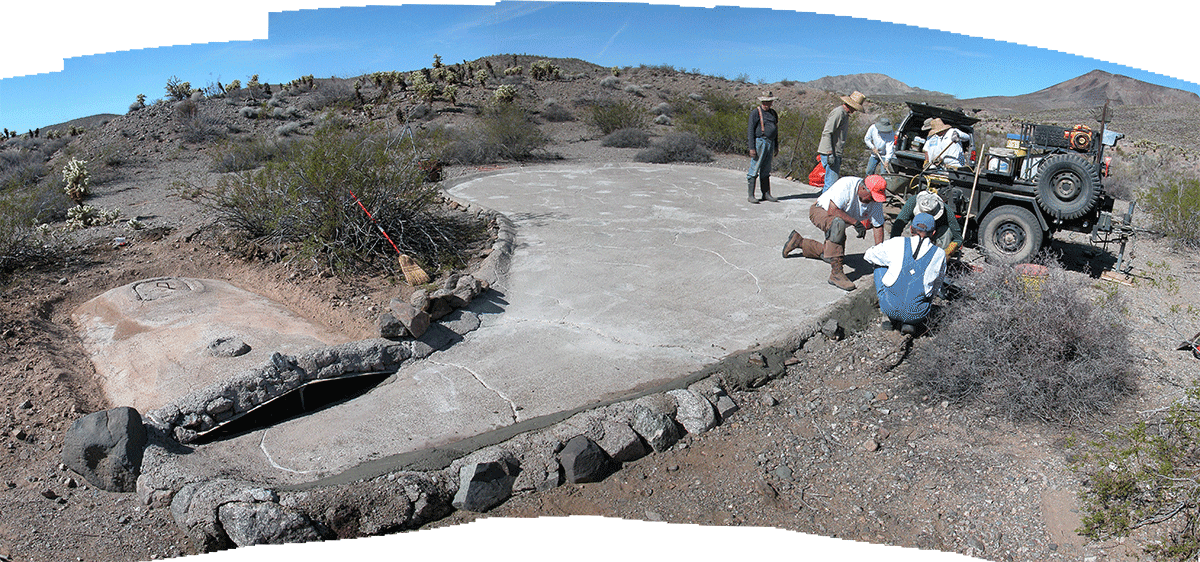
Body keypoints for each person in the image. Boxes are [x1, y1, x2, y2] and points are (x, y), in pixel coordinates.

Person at [781, 174, 887, 291]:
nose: (873, 200)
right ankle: (836, 275)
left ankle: (799, 242)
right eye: (871, 196)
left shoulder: (875, 200)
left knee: (831, 255)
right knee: (838, 224)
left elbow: (878, 226)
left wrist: (879, 254)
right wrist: (855, 222)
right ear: (863, 188)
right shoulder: (846, 185)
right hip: (821, 211)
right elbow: (833, 210)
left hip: (838, 219)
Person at [864, 212, 947, 336]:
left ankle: (888, 317)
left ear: (911, 229)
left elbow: (869, 255)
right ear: (933, 233)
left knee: (879, 265)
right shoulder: (939, 254)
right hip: (917, 314)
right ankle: (910, 323)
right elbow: (936, 286)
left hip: (890, 307)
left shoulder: (898, 242)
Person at [817, 91, 866, 193]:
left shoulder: (844, 114)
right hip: (831, 152)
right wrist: (830, 153)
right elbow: (827, 132)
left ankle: (824, 205)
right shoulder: (839, 113)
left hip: (835, 153)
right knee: (831, 184)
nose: (855, 110)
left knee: (830, 182)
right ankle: (824, 206)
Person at [890, 189, 963, 256]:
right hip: (916, 231)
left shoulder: (947, 210)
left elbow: (958, 238)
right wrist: (893, 246)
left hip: (936, 236)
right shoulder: (912, 202)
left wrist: (947, 253)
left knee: (947, 232)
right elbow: (898, 226)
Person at [746, 91, 780, 203]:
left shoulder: (773, 113)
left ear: (772, 102)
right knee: (755, 168)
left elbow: (776, 130)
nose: (766, 104)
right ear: (762, 102)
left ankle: (766, 194)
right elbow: (750, 130)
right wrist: (751, 147)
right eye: (765, 102)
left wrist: (776, 145)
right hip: (760, 142)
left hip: (770, 142)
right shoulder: (756, 113)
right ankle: (751, 195)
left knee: (766, 169)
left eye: (769, 102)